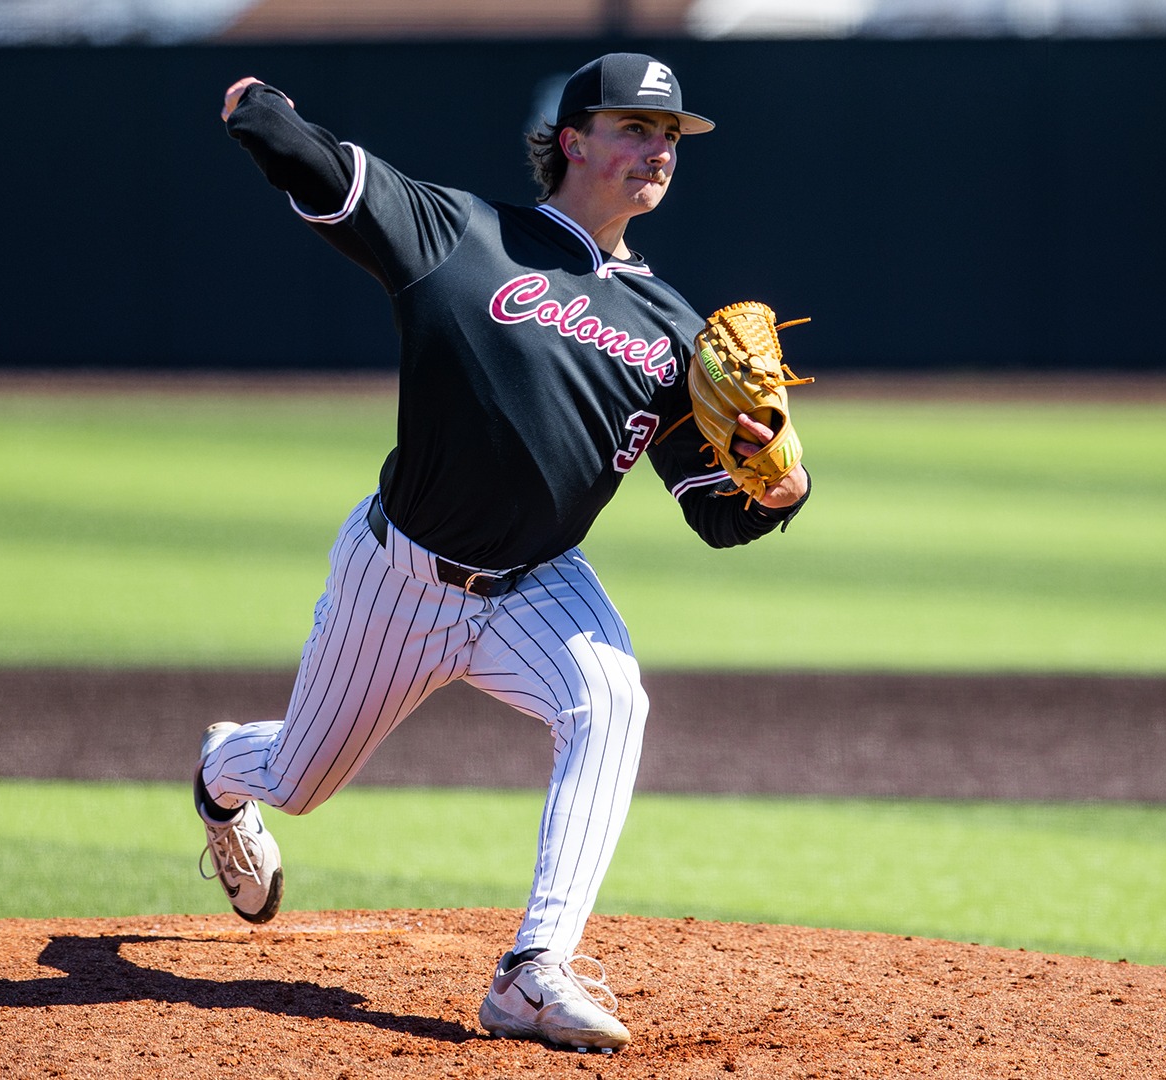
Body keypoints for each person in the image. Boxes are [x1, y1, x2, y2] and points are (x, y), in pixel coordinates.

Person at [196, 52, 811, 1052]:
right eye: (634, 130)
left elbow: (718, 513)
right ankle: (223, 770)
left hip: (539, 582)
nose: (657, 150)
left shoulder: (674, 330)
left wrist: (781, 487)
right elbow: (312, 165)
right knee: (299, 780)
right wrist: (256, 108)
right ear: (571, 140)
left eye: (669, 137)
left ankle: (534, 971)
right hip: (398, 578)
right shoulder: (460, 233)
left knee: (612, 702)